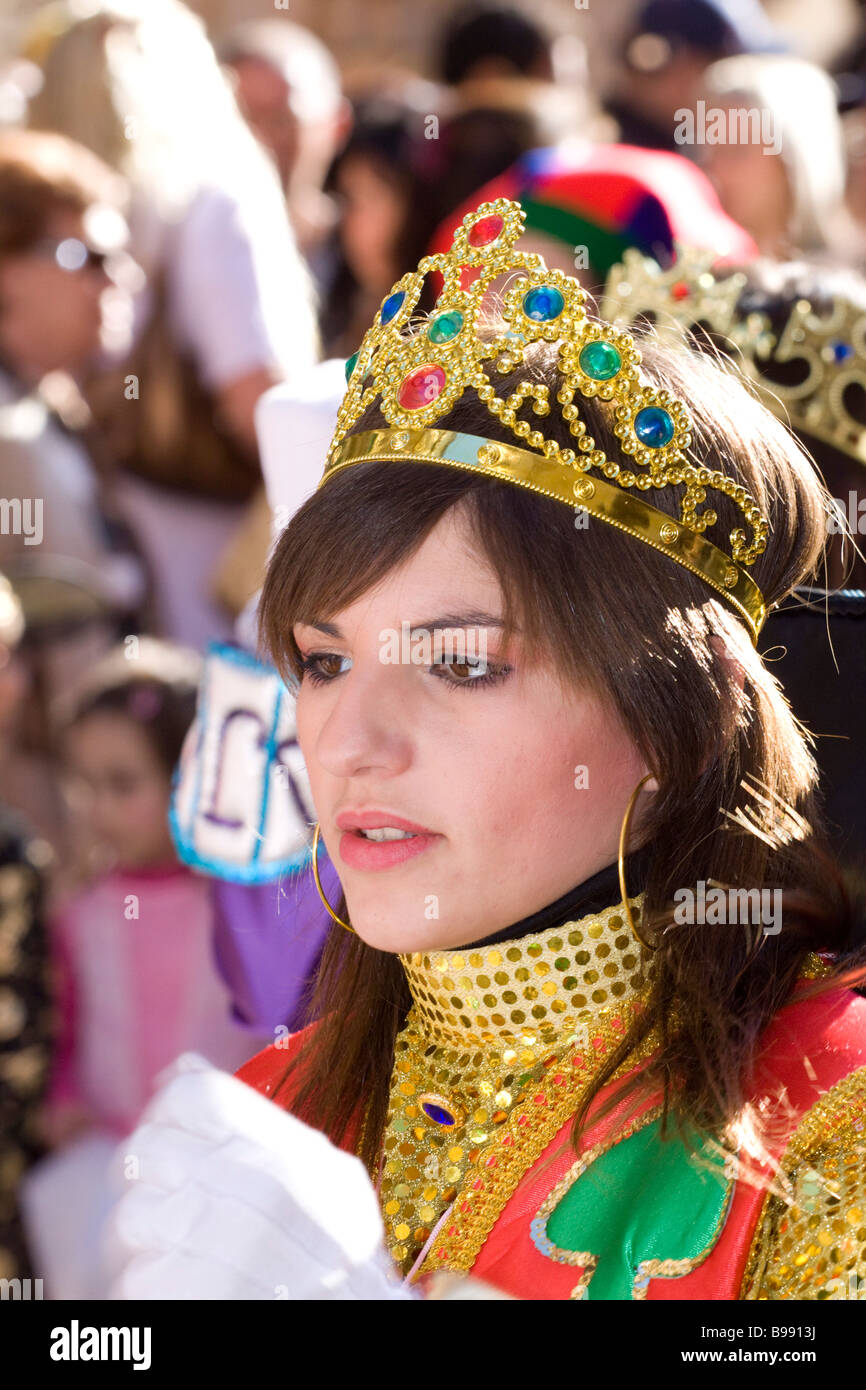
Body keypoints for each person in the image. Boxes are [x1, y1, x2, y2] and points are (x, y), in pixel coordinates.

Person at [106, 199, 866, 1301]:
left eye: (461, 665)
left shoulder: (828, 1114)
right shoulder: (270, 1118)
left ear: (680, 718)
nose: (349, 746)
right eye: (323, 663)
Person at [23, 0, 318, 647]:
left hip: (99, 549)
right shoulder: (217, 197)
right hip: (205, 576)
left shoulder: (54, 212)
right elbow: (266, 407)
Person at [20, 638, 267, 1298]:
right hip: (106, 1172)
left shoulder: (241, 909)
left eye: (123, 784)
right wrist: (64, 1101)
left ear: (194, 780)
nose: (98, 808)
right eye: (85, 786)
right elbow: (65, 1033)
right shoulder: (80, 912)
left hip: (226, 1174)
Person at [702, 54, 862, 263]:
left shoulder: (852, 280)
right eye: (711, 152)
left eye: (737, 150)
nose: (716, 170)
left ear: (793, 158)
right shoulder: (705, 273)